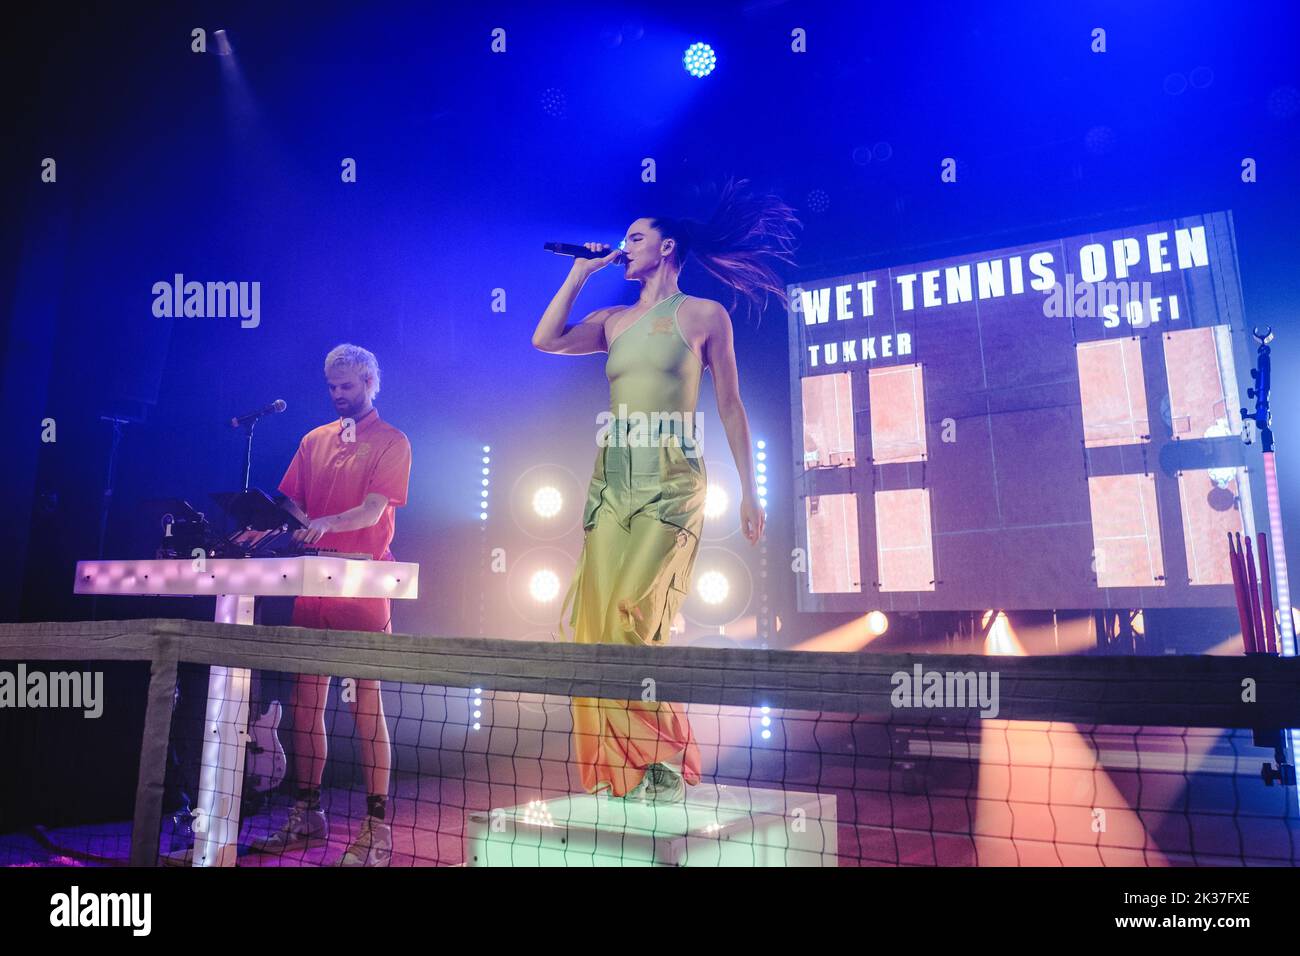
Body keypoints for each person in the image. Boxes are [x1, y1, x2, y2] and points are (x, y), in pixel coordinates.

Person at [532, 178, 798, 803]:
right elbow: (544, 339)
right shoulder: (612, 320)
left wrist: (752, 491)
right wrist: (579, 274)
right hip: (611, 485)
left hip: (671, 485)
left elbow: (731, 406)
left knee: (633, 613)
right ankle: (619, 775)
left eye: (634, 237)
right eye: (622, 239)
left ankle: (665, 759)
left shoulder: (705, 315)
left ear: (667, 246)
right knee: (595, 629)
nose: (624, 246)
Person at [247, 343, 412, 866]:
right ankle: (307, 813)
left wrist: (324, 525)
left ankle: (377, 827)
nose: (338, 395)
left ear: (369, 381)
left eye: (347, 386)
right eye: (332, 387)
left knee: (367, 703)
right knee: (304, 703)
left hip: (363, 584)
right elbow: (290, 499)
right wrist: (294, 520)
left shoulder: (393, 441)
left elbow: (370, 511)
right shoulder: (313, 439)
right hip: (312, 581)